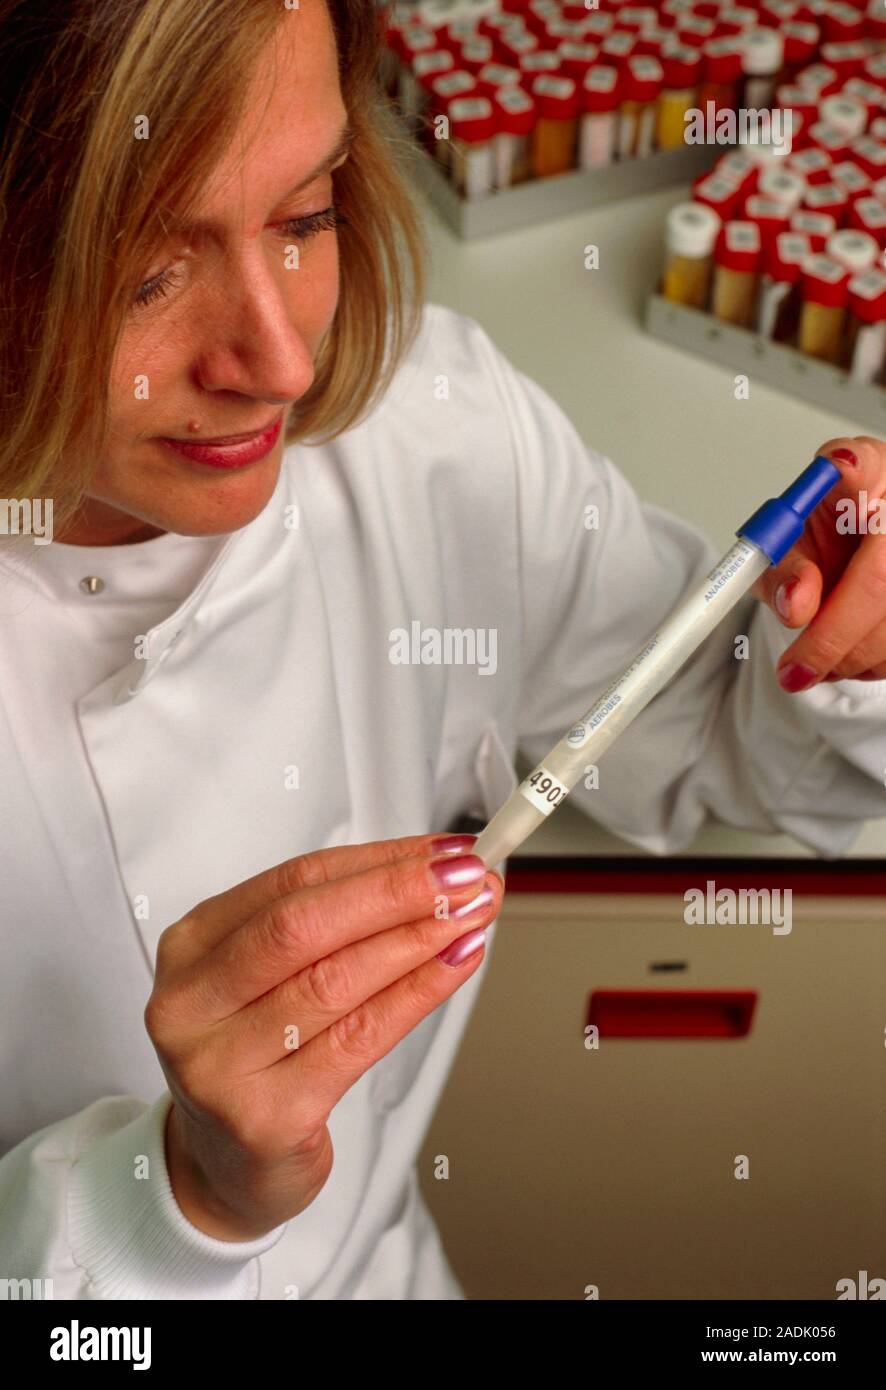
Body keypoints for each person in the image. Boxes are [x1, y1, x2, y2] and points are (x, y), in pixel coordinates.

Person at [0, 0, 884, 1301]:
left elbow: (697, 727)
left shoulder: (428, 428)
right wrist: (170, 1205)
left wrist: (841, 643)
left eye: (303, 219)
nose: (282, 362)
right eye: (147, 273)